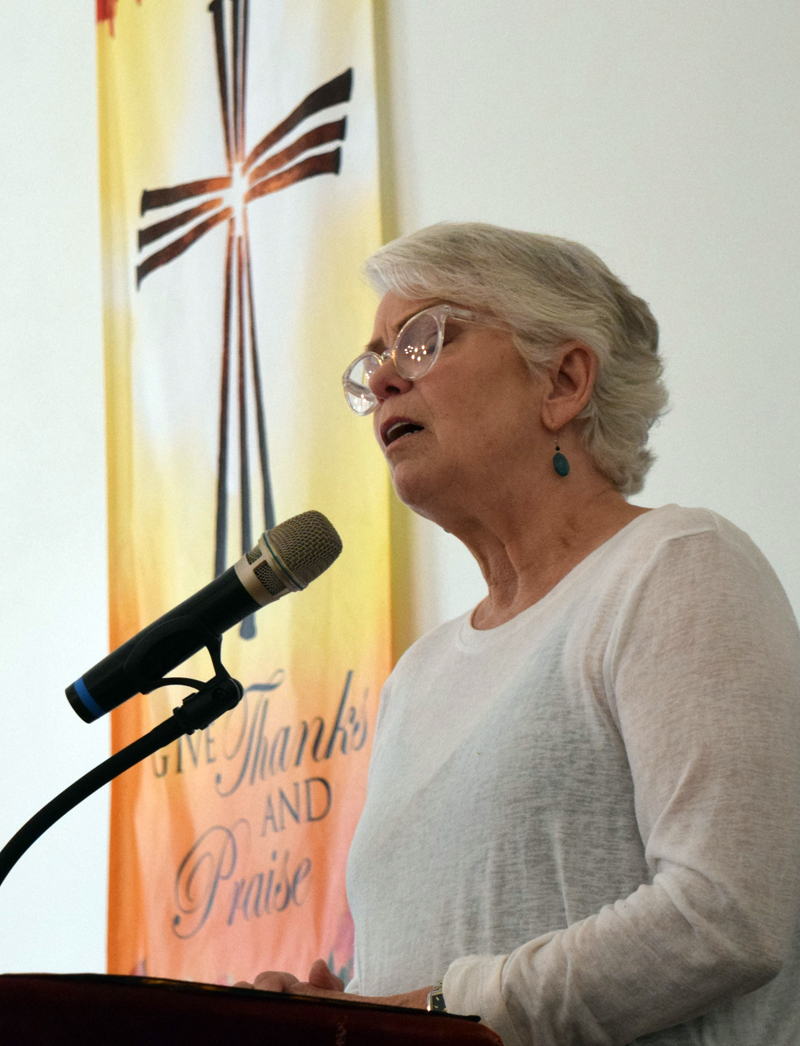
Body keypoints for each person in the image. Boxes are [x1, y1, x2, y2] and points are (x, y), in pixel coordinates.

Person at [237, 223, 800, 1045]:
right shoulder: (419, 675)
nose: (387, 377)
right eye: (372, 364)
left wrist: (437, 1018)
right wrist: (343, 1007)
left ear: (564, 382)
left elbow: (727, 913)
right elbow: (454, 955)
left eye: (426, 339)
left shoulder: (674, 567)